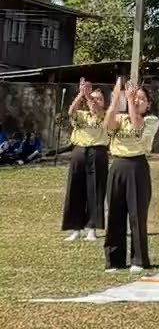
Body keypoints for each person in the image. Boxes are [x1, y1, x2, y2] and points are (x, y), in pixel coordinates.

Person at [103, 79, 159, 272]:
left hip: (137, 166)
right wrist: (116, 97)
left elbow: (137, 128)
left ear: (148, 104)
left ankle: (139, 259)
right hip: (118, 164)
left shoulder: (151, 120)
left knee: (136, 213)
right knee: (115, 213)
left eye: (141, 99)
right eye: (135, 98)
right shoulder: (120, 118)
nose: (136, 101)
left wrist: (129, 100)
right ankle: (114, 259)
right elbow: (108, 125)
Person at [62, 78, 109, 241]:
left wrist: (88, 96)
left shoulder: (105, 116)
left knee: (95, 190)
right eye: (93, 98)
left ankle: (92, 227)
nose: (95, 100)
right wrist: (81, 94)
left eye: (99, 99)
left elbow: (96, 110)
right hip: (79, 152)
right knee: (76, 189)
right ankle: (76, 228)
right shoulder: (81, 115)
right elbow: (71, 111)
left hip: (98, 152)